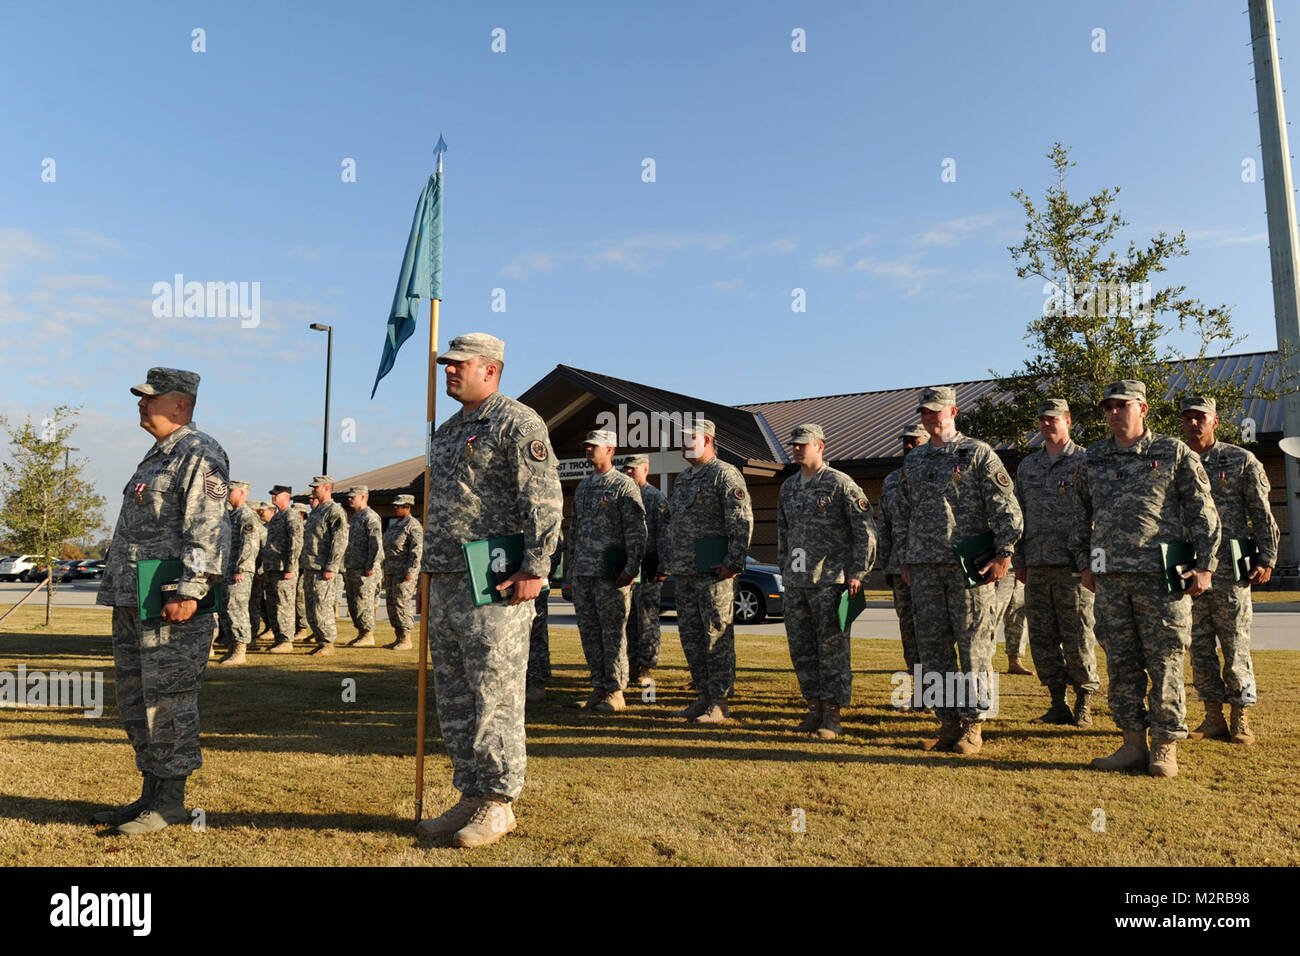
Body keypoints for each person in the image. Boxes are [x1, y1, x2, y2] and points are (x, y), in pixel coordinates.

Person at [416, 333, 562, 849]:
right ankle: (470, 792)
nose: (449, 372)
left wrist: (535, 567)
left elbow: (543, 502)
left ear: (491, 370)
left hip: (495, 578)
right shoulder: (451, 429)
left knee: (494, 692)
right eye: (446, 365)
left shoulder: (518, 423)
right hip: (450, 577)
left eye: (460, 365)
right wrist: (426, 576)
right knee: (454, 694)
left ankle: (499, 803)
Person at [93, 367, 230, 834]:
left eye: (150, 397)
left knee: (169, 699)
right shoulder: (154, 458)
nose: (141, 403)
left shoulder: (199, 453)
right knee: (136, 698)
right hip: (136, 598)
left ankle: (172, 801)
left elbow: (209, 527)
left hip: (172, 600)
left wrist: (191, 589)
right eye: (140, 396)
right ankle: (150, 793)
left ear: (180, 405)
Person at [1070, 380, 1221, 778]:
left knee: (1166, 660)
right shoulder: (1094, 457)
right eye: (1108, 406)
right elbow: (1078, 513)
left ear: (1143, 408)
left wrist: (1205, 566)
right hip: (1112, 579)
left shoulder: (1171, 452)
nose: (1113, 412)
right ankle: (1132, 743)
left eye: (1122, 405)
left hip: (1162, 579)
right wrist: (1085, 563)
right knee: (1121, 663)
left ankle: (1165, 745)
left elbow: (1203, 513)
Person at [896, 386, 1022, 756]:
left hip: (968, 568)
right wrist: (906, 557)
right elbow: (904, 513)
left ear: (953, 413)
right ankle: (947, 722)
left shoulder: (977, 454)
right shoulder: (914, 461)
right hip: (924, 568)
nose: (932, 417)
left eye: (938, 411)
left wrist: (1004, 554)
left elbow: (1007, 509)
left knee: (974, 648)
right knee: (933, 649)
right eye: (926, 412)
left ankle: (973, 725)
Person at [1179, 394, 1279, 746]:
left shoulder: (1239, 460)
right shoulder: (1176, 461)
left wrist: (1267, 558)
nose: (1194, 423)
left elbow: (1262, 513)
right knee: (1199, 645)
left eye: (1200, 417)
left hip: (1231, 569)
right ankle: (1213, 716)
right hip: (1189, 568)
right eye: (1188, 418)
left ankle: (1241, 717)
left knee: (1235, 644)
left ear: (1215, 421)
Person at [776, 424, 877, 739]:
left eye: (803, 444)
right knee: (802, 649)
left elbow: (865, 530)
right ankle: (814, 708)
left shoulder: (839, 484)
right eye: (794, 445)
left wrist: (858, 572)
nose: (797, 449)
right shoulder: (788, 488)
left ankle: (832, 716)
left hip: (831, 582)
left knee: (832, 650)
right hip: (797, 584)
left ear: (820, 446)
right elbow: (783, 534)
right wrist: (785, 569)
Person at [1013, 399, 1100, 726]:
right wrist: (1019, 560)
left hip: (1073, 566)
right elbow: (1018, 515)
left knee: (1078, 632)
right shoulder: (1028, 466)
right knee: (1042, 636)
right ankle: (1057, 702)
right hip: (1036, 564)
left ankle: (1084, 702)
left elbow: (1097, 513)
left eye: (1053, 420)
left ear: (1068, 421)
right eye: (1042, 420)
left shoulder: (1086, 461)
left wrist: (1092, 562)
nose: (1047, 425)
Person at [665, 419, 753, 724]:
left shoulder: (725, 474)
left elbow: (741, 521)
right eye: (682, 440)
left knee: (715, 635)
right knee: (691, 636)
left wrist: (733, 561)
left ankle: (719, 702)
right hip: (686, 572)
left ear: (708, 441)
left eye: (690, 439)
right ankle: (702, 696)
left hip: (714, 572)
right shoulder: (685, 478)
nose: (683, 444)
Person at [568, 429, 646, 713]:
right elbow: (575, 531)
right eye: (587, 446)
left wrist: (631, 568)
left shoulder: (624, 485)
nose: (589, 450)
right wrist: (570, 572)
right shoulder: (584, 486)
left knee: (612, 635)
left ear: (610, 450)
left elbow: (636, 531)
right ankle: (598, 688)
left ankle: (615, 691)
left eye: (595, 447)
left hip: (611, 575)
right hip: (584, 573)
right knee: (589, 635)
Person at [876, 423, 928, 694]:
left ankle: (939, 694)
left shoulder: (935, 474)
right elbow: (883, 525)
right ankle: (919, 692)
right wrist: (886, 562)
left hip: (931, 567)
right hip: (900, 569)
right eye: (905, 442)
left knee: (933, 633)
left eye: (914, 441)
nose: (908, 446)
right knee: (909, 632)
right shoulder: (891, 480)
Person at [622, 454, 670, 688]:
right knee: (628, 618)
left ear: (645, 469)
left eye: (633, 469)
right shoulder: (622, 495)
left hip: (649, 566)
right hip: (626, 567)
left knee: (647, 619)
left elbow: (664, 535)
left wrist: (663, 566)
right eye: (626, 469)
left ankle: (646, 666)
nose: (629, 473)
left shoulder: (655, 498)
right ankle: (630, 663)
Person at [302, 476, 348, 656]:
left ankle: (328, 643)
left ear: (327, 488)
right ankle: (321, 640)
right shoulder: (316, 511)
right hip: (310, 565)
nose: (313, 490)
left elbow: (339, 541)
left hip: (323, 568)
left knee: (322, 606)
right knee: (311, 608)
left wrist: (331, 566)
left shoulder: (334, 511)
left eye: (316, 487)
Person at [217, 481, 261, 665]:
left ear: (242, 493)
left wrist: (241, 567)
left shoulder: (246, 515)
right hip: (227, 569)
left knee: (237, 608)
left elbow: (250, 545)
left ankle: (240, 649)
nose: (227, 493)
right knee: (227, 608)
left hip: (239, 571)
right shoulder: (231, 514)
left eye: (231, 490)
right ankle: (232, 646)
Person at [342, 486, 384, 647]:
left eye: (353, 496)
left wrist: (371, 565)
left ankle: (368, 634)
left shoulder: (371, 517)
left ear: (363, 497)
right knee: (354, 603)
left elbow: (376, 544)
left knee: (364, 602)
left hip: (365, 569)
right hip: (353, 566)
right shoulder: (355, 518)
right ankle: (361, 633)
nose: (349, 499)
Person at [263, 486, 303, 652]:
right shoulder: (277, 517)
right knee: (272, 605)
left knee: (284, 605)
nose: (273, 497)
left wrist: (291, 566)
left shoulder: (291, 516)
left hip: (283, 569)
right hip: (272, 567)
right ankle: (279, 638)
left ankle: (286, 640)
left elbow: (296, 542)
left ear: (286, 496)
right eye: (272, 494)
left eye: (276, 494)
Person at [381, 493, 423, 650]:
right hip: (391, 572)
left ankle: (406, 639)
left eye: (399, 506)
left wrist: (410, 572)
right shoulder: (395, 525)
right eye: (395, 505)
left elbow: (416, 552)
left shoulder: (413, 526)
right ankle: (398, 637)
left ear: (408, 507)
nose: (396, 508)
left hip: (403, 574)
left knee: (402, 603)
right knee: (391, 604)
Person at [525, 533, 563, 703]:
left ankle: (536, 683)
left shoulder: (540, 518)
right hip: (508, 577)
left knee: (536, 633)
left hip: (537, 581)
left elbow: (554, 547)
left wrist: (540, 571)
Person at [992, 575, 1032, 675]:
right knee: (992, 619)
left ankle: (1015, 662)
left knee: (1018, 618)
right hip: (1000, 572)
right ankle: (985, 663)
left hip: (1020, 574)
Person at [248, 500, 274, 642]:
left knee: (254, 606)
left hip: (256, 573)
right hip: (250, 572)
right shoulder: (262, 527)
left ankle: (251, 635)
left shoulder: (260, 529)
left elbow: (265, 552)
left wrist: (260, 571)